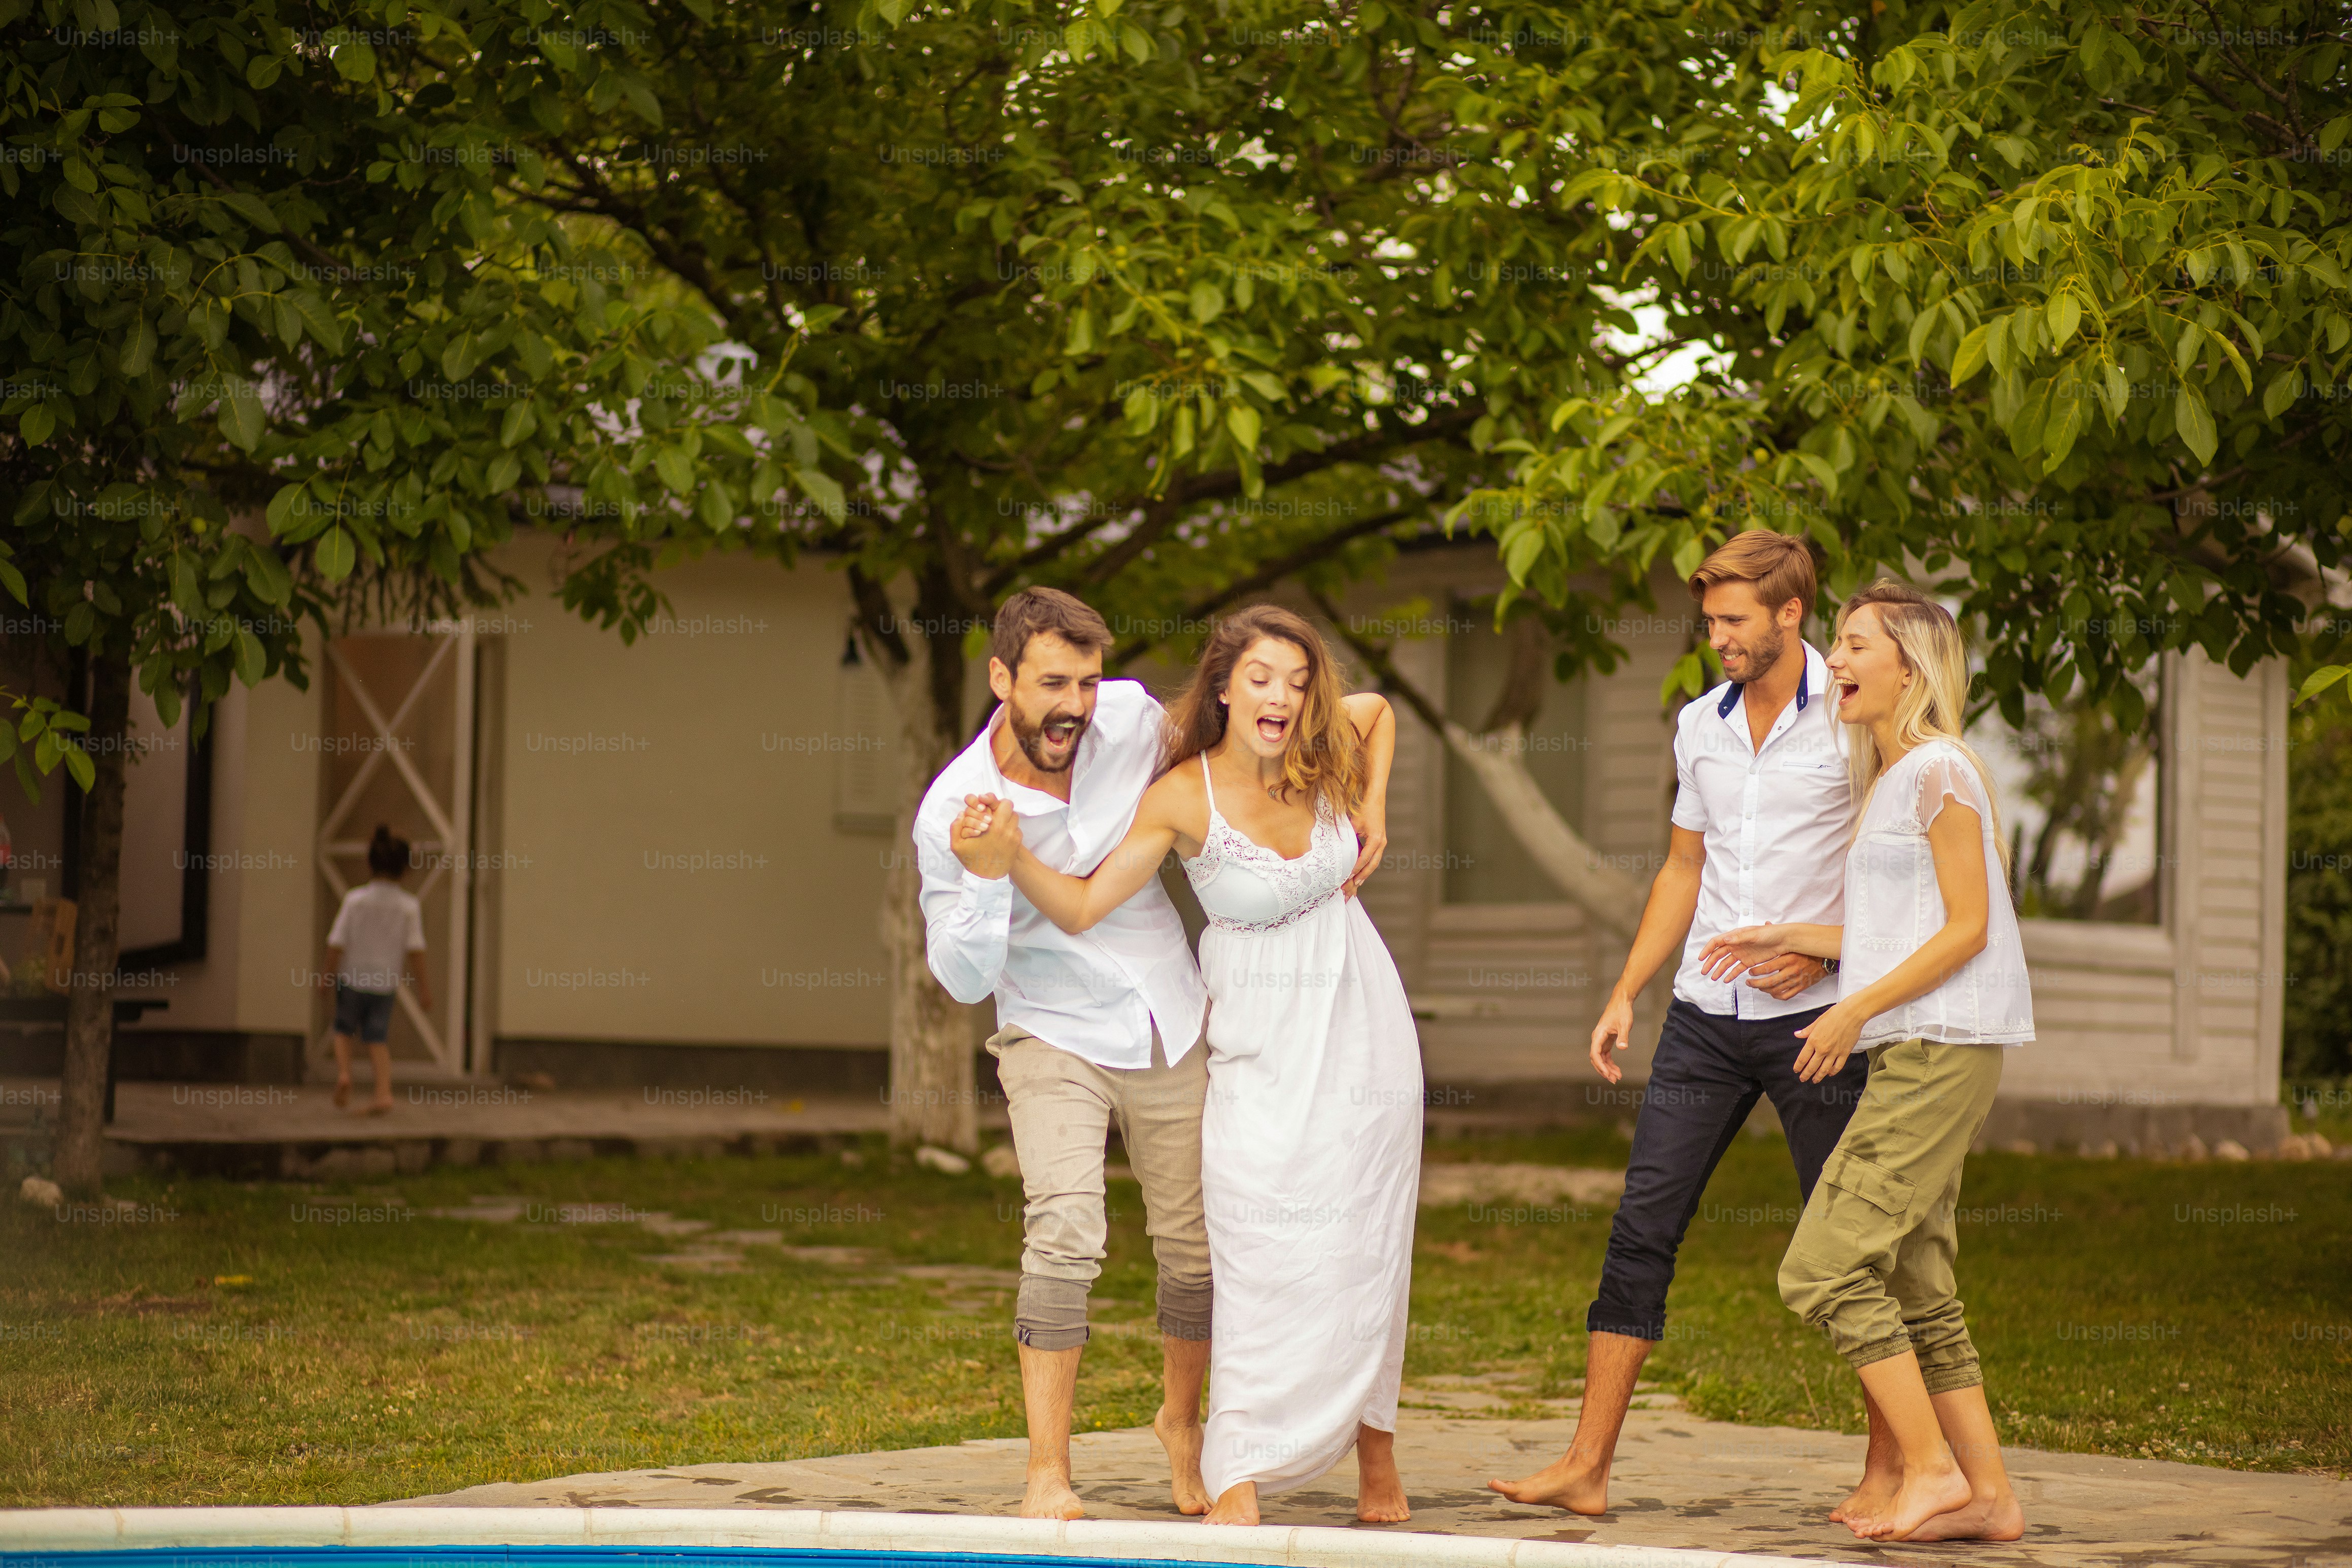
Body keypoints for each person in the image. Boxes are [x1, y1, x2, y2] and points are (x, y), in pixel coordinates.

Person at [954, 603, 1413, 1528]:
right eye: (1260, 679)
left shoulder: (1325, 751)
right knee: (1250, 1238)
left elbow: (1378, 712)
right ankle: (1235, 1455)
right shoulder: (1179, 793)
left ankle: (1376, 1459)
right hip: (1255, 1033)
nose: (1281, 697)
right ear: (1223, 686)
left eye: (1295, 680)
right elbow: (1083, 908)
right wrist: (1008, 864)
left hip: (1366, 1023)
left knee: (1368, 1240)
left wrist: (1373, 806)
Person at [1490, 529, 1876, 1516]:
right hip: (1705, 1018)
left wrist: (1829, 948)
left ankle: (1894, 1469)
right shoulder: (1698, 723)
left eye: (1733, 621)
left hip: (1817, 1024)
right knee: (1640, 1229)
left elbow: (1901, 874)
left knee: (1859, 1245)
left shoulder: (1856, 716)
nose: (1716, 639)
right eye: (1708, 621)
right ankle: (1586, 1466)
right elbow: (1680, 868)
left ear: (1791, 614)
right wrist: (1626, 989)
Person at [1694, 580, 2032, 1543]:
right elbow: (1901, 927)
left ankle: (1931, 1469)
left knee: (1824, 1269)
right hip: (1915, 1046)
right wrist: (1791, 934)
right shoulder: (1892, 780)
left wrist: (1851, 1011)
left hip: (1938, 1047)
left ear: (1910, 667)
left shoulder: (1940, 772)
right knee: (1920, 1280)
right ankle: (1994, 1499)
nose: (1834, 662)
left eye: (1854, 646)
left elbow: (1968, 929)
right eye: (1837, 644)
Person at [917, 588, 1218, 1521]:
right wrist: (987, 875)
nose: (1076, 707)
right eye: (1054, 683)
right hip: (1049, 1029)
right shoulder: (952, 814)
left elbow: (1227, 766)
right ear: (1001, 678)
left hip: (1169, 1014)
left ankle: (1182, 1428)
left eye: (1087, 681)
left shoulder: (1129, 719)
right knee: (1064, 1228)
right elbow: (964, 979)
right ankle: (1048, 1472)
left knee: (1196, 1247)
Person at [321, 824, 431, 1115]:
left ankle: (345, 1074)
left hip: (352, 978)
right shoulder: (409, 906)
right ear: (405, 869)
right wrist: (424, 988)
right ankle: (383, 1092)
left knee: (343, 1031)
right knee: (377, 1039)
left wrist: (325, 976)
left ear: (369, 863)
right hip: (385, 983)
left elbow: (336, 942)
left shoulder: (354, 901)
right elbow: (416, 951)